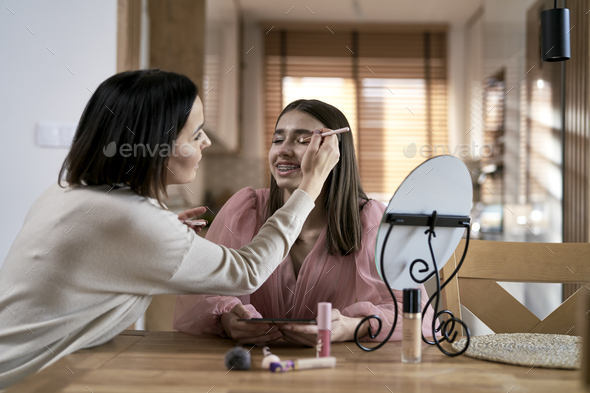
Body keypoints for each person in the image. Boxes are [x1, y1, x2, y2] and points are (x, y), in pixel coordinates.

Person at [0, 70, 339, 388]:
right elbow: (248, 272)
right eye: (196, 133)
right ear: (157, 144)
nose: (205, 141)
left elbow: (108, 250)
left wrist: (162, 235)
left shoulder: (67, 193)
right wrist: (309, 188)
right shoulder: (132, 220)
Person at [174, 99, 435, 346]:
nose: (283, 150)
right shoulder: (245, 209)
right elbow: (205, 291)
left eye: (303, 140)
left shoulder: (369, 218)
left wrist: (352, 327)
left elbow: (416, 314)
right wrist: (229, 319)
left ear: (333, 154)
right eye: (277, 139)